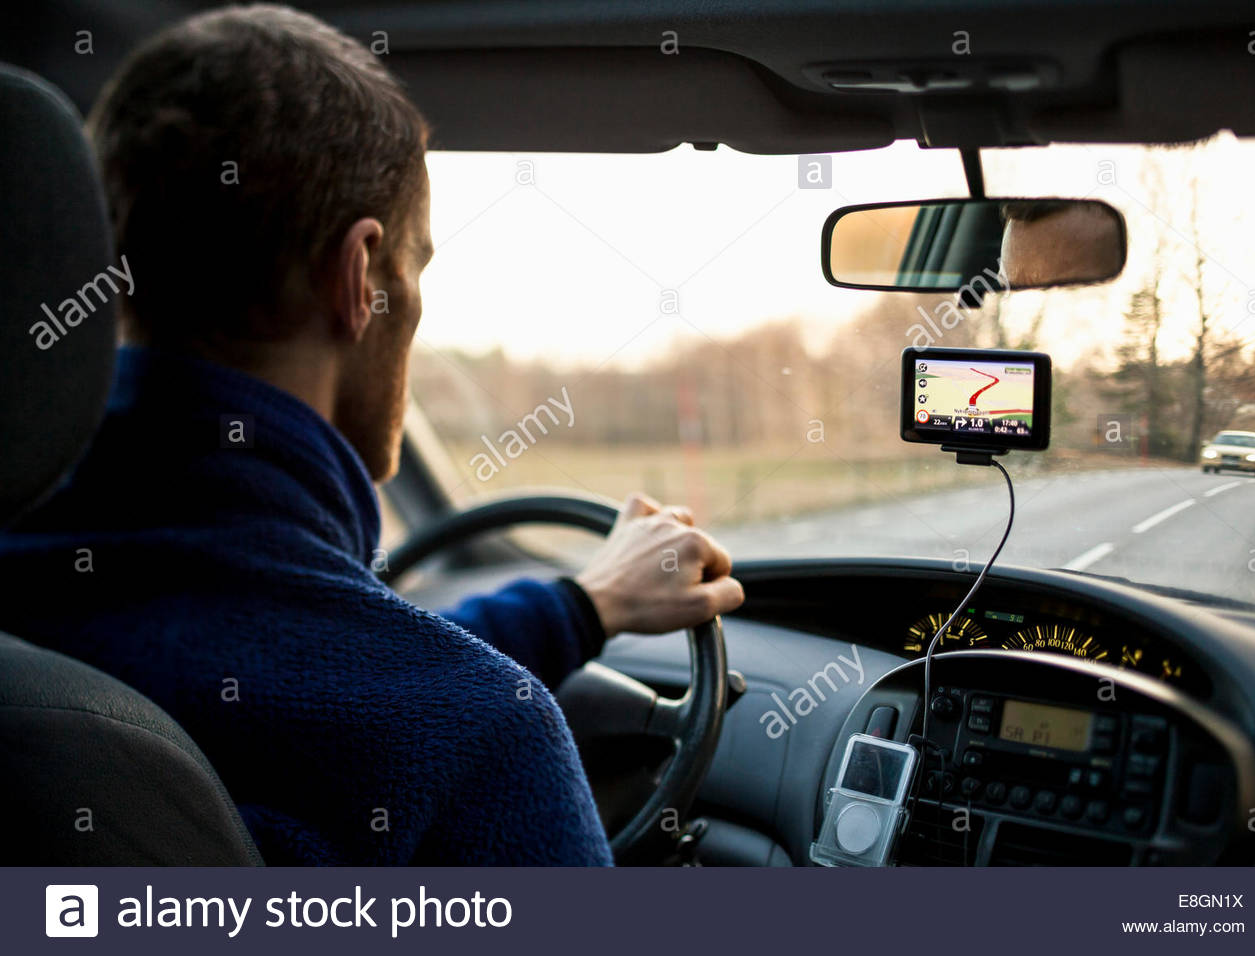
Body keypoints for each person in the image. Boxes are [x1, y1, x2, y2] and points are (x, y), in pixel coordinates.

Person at [0, 4, 743, 865]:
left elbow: (290, 655)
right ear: (360, 278)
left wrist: (579, 607)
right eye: (416, 264)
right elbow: (357, 680)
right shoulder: (485, 745)